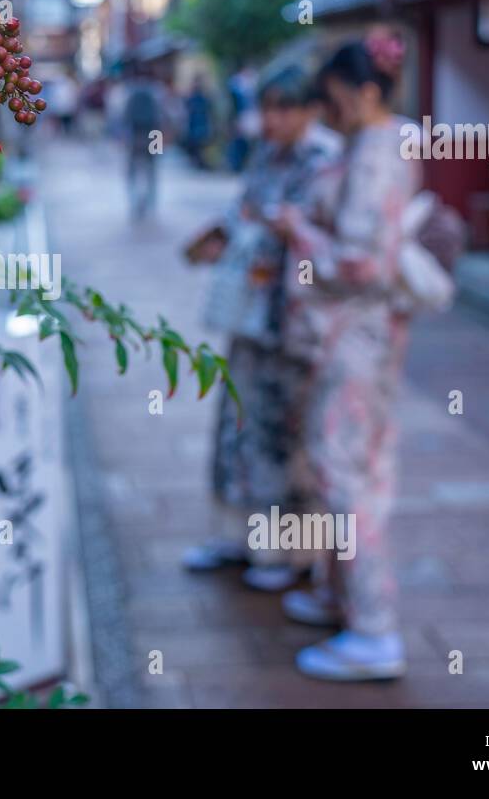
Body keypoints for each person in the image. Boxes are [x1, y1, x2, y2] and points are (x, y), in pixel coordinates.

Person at [271, 30, 420, 681]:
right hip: (365, 332)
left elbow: (361, 262)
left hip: (355, 332)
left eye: (334, 99)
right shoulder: (379, 145)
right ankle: (345, 597)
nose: (328, 112)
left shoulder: (375, 154)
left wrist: (300, 232)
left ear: (363, 92)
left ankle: (373, 626)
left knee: (345, 473)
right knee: (355, 466)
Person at [182, 67, 341, 591]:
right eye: (267, 108)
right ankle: (237, 536)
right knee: (238, 423)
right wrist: (218, 237)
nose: (271, 119)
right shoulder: (265, 155)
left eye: (283, 108)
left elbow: (331, 240)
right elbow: (241, 212)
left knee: (284, 434)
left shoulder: (324, 161)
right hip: (250, 311)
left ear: (311, 109)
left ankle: (287, 555)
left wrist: (282, 229)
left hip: (296, 319)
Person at [121, 66, 172, 220]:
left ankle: (135, 200)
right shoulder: (157, 92)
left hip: (135, 134)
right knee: (152, 170)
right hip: (154, 134)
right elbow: (163, 116)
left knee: (133, 170)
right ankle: (151, 201)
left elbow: (124, 116)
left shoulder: (131, 92)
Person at [181, 80, 215, 169]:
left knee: (201, 144)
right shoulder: (192, 98)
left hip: (200, 124)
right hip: (195, 124)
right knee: (195, 144)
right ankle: (197, 161)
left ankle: (201, 162)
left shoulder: (203, 98)